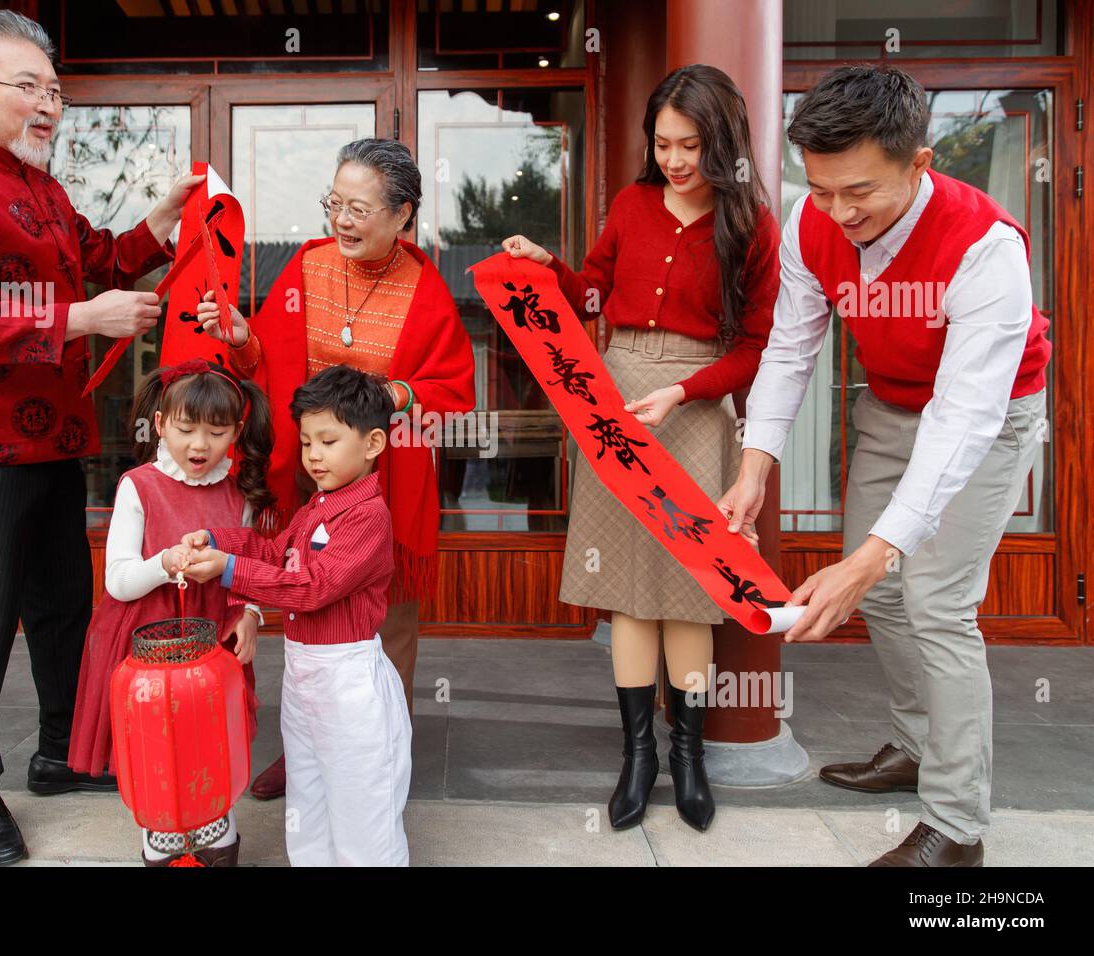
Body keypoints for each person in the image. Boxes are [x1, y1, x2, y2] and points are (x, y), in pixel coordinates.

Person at [0, 9, 203, 865]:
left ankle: (63, 752)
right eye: (28, 86)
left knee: (65, 608)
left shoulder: (42, 186)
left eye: (54, 89)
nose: (48, 105)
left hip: (54, 437)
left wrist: (162, 220)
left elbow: (98, 257)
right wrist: (80, 320)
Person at [719, 65, 1050, 867]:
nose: (838, 212)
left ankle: (957, 824)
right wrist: (755, 464)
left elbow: (964, 419)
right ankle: (918, 746)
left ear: (922, 164)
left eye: (859, 191)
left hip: (988, 422)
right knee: (890, 600)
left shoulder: (987, 248)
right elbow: (793, 350)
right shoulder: (811, 222)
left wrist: (871, 557)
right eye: (821, 189)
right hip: (892, 409)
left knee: (935, 602)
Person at [502, 64, 780, 832]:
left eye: (691, 144)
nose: (676, 159)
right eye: (663, 144)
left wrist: (686, 393)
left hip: (693, 407)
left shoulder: (750, 223)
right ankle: (637, 755)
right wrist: (546, 269)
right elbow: (592, 291)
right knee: (626, 585)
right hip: (615, 400)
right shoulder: (630, 203)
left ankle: (686, 753)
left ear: (722, 141)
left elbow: (759, 347)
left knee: (690, 582)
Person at [195, 138, 475, 799]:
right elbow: (266, 360)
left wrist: (395, 395)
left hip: (386, 481)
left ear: (403, 215)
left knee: (388, 626)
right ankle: (303, 756)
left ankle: (381, 766)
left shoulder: (428, 290)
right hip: (308, 474)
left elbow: (456, 388)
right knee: (304, 613)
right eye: (334, 203)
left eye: (358, 207)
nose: (341, 220)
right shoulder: (306, 265)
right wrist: (241, 339)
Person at [181, 365, 411, 866]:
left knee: (361, 810)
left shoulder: (369, 517)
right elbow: (273, 552)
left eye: (328, 441)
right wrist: (218, 541)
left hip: (349, 682)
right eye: (307, 442)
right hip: (304, 676)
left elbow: (312, 588)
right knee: (307, 801)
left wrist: (228, 571)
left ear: (373, 443)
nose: (314, 455)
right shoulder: (314, 509)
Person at [67, 359, 272, 866]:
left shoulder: (238, 490)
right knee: (160, 736)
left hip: (214, 640)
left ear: (237, 432)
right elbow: (117, 578)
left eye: (216, 432)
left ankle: (217, 832)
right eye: (185, 429)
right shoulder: (139, 485)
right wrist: (164, 562)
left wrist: (249, 613)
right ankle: (161, 834)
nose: (199, 445)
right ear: (160, 424)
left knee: (212, 733)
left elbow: (249, 566)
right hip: (148, 638)